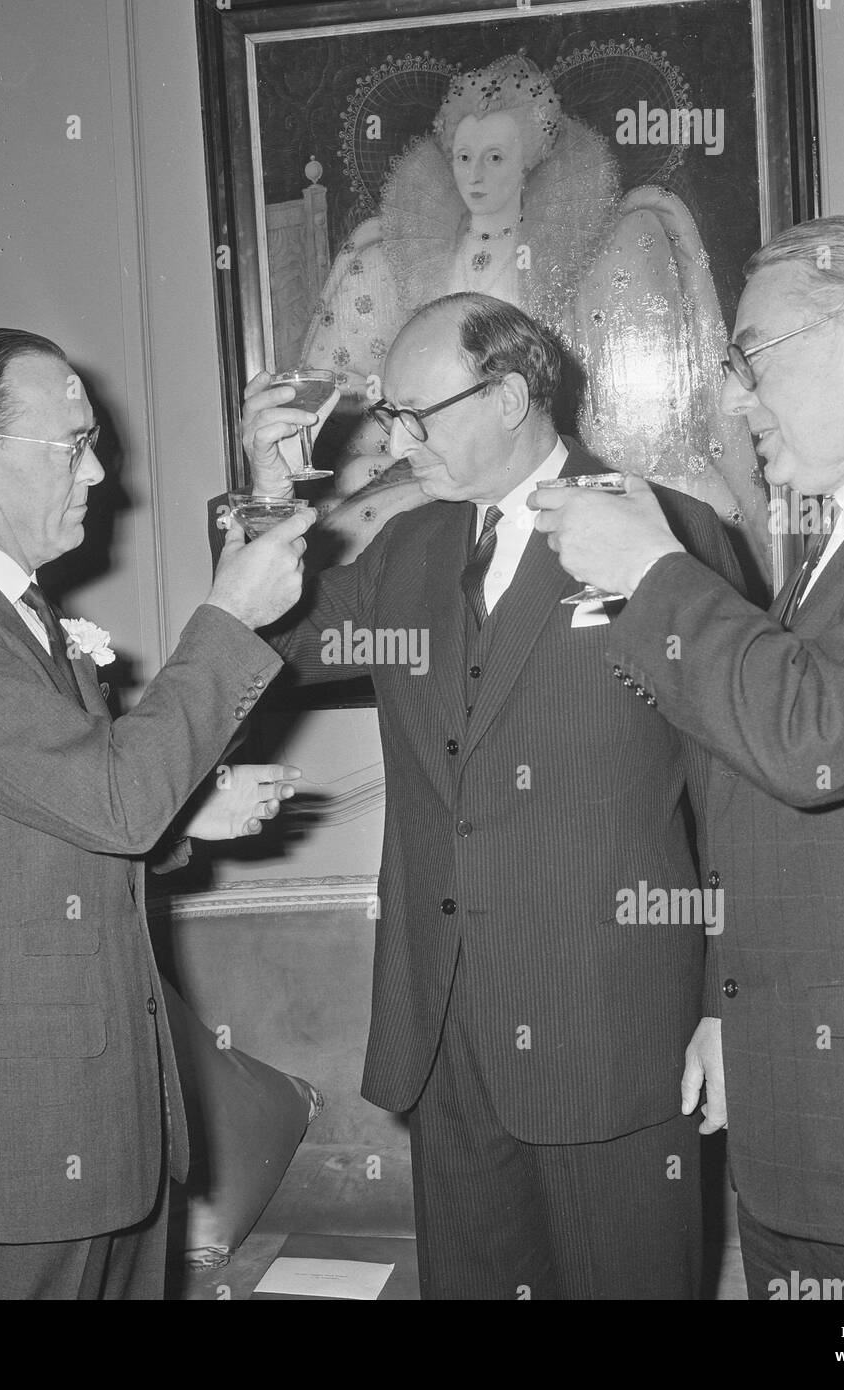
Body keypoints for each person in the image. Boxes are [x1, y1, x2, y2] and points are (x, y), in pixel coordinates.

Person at [530, 214, 844, 1298]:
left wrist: (654, 574)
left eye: (749, 360)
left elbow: (810, 741)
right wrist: (723, 1008)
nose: (734, 398)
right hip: (809, 1128)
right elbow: (758, 802)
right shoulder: (840, 544)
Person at [241, 291, 745, 1299]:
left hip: (613, 1034)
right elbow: (260, 646)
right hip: (448, 1039)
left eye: (415, 413)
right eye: (388, 414)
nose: (393, 438)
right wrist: (264, 497)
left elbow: (732, 787)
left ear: (510, 394)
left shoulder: (664, 530)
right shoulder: (407, 553)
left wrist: (722, 1006)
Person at [0, 328, 313, 1299]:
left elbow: (56, 814)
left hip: (110, 1122)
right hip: (16, 1141)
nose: (100, 473)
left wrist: (185, 824)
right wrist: (225, 616)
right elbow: (114, 798)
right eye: (72, 445)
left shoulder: (17, 614)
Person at [299, 54, 768, 580]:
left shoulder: (581, 246)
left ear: (529, 162)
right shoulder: (411, 251)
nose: (475, 174)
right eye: (464, 156)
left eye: (495, 157)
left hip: (532, 452)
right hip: (450, 463)